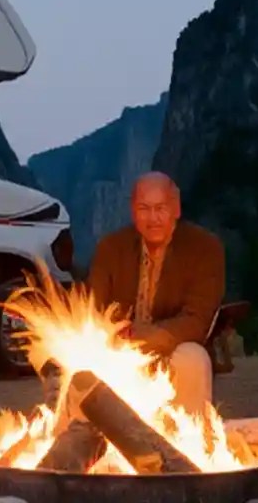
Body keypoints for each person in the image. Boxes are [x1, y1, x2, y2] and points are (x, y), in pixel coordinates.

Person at [85, 171, 225, 414]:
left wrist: (146, 338)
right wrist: (114, 337)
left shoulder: (204, 248)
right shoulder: (110, 249)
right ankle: (87, 444)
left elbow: (197, 320)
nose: (153, 219)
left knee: (192, 358)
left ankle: (190, 443)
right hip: (118, 345)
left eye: (160, 208)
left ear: (176, 209)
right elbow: (94, 308)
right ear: (132, 211)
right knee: (78, 363)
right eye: (144, 208)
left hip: (173, 346)